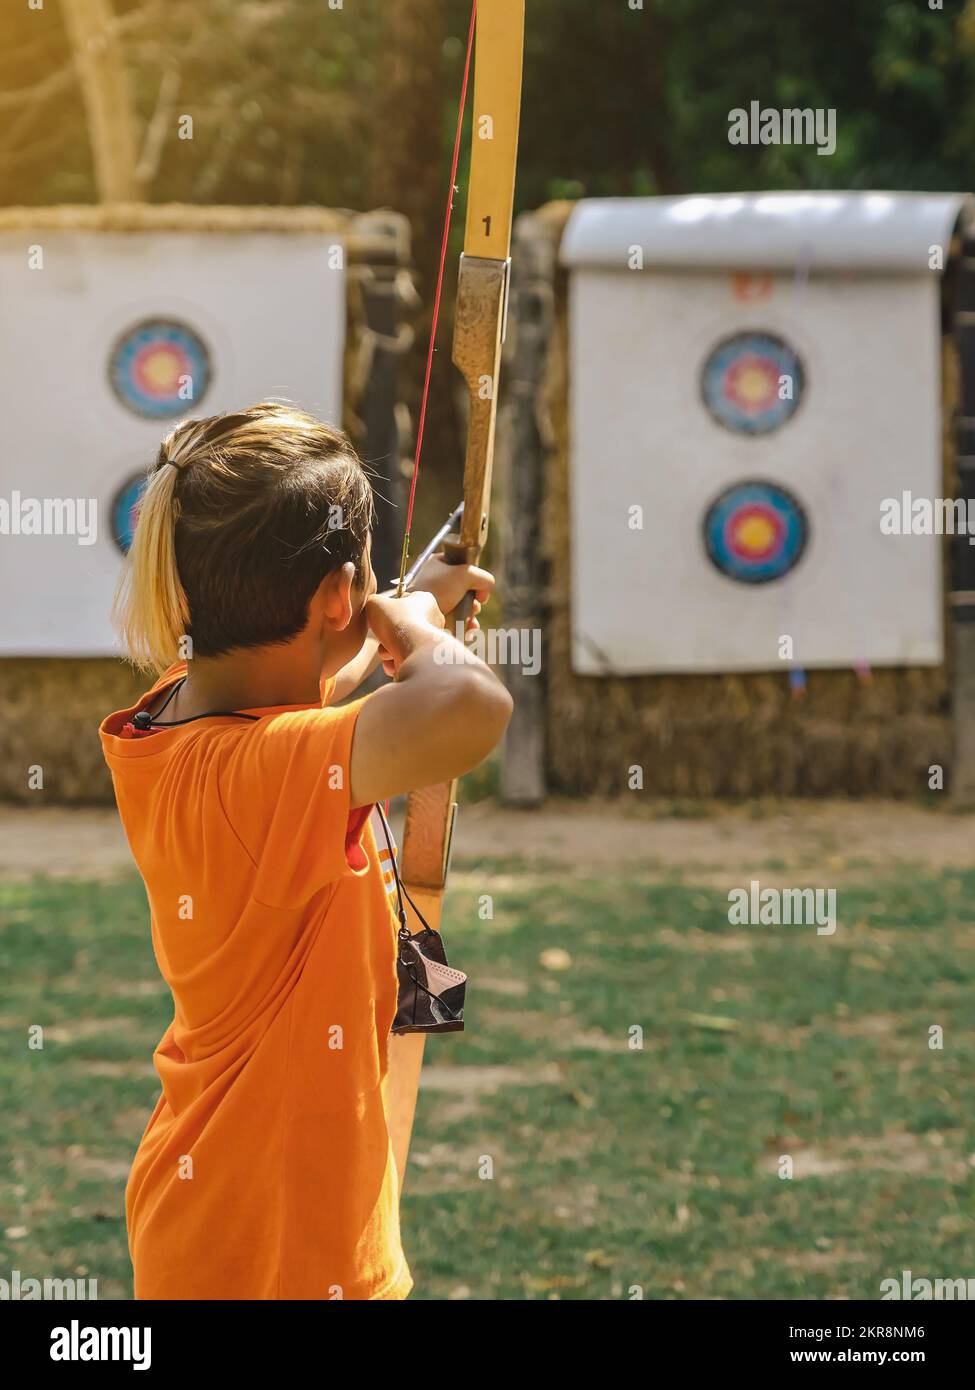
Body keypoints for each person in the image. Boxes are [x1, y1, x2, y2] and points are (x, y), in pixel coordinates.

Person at [99, 401, 512, 1299]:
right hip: (269, 1247)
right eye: (358, 579)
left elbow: (307, 683)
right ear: (335, 594)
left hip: (234, 1219)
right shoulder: (265, 769)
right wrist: (424, 638)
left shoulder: (182, 714)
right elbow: (470, 710)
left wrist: (401, 610)